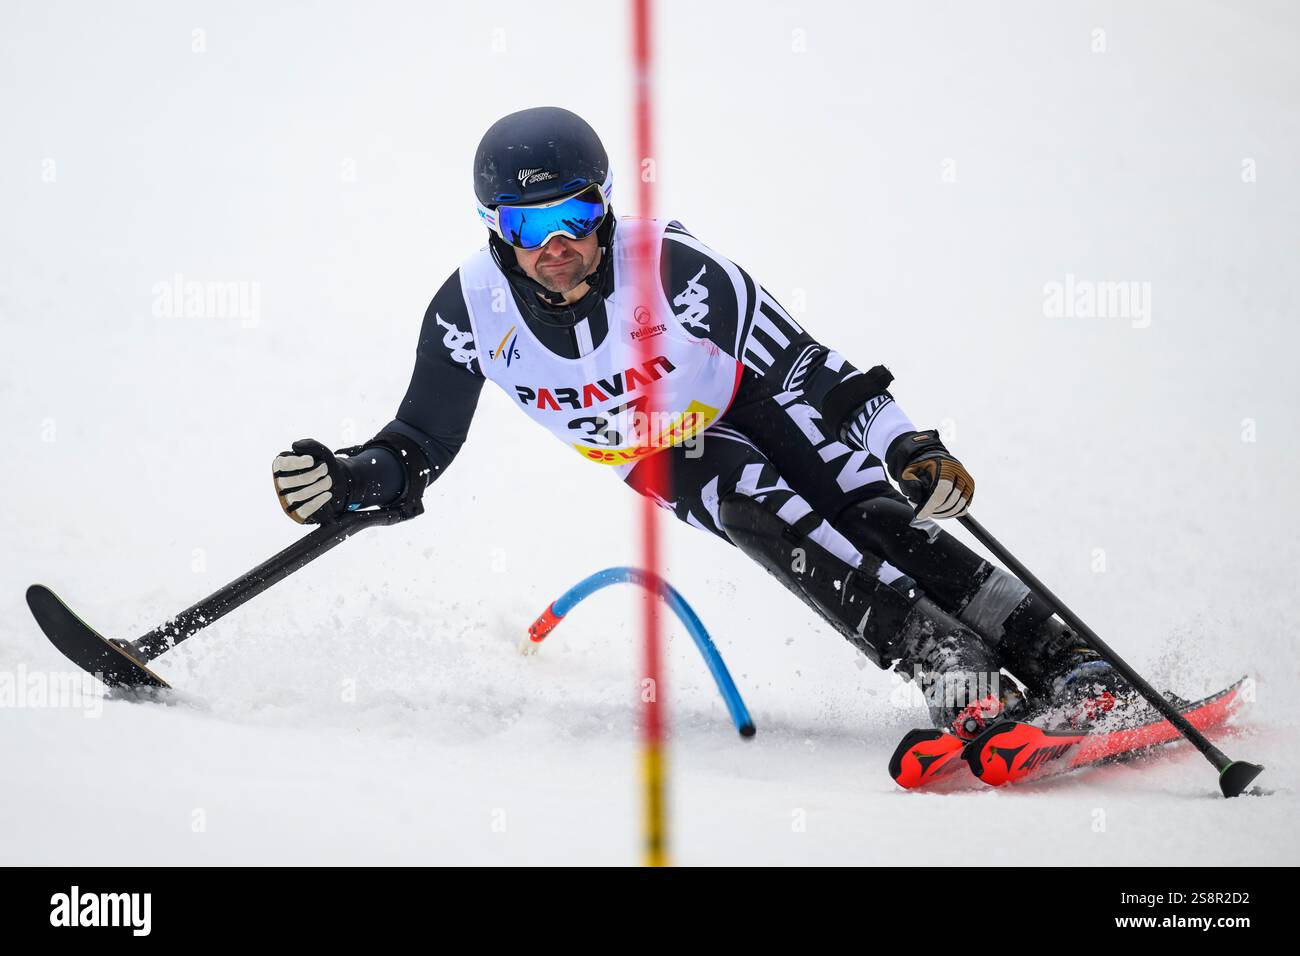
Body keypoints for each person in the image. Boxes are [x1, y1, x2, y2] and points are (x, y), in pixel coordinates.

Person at [271, 106, 1127, 738]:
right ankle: (964, 686)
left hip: (751, 398)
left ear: (605, 205)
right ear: (494, 227)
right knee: (770, 521)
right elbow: (418, 448)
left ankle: (1065, 659)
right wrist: (348, 479)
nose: (554, 243)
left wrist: (903, 443)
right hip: (659, 451)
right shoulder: (470, 311)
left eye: (573, 214)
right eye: (526, 223)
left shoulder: (676, 270)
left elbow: (812, 371)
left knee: (872, 514)